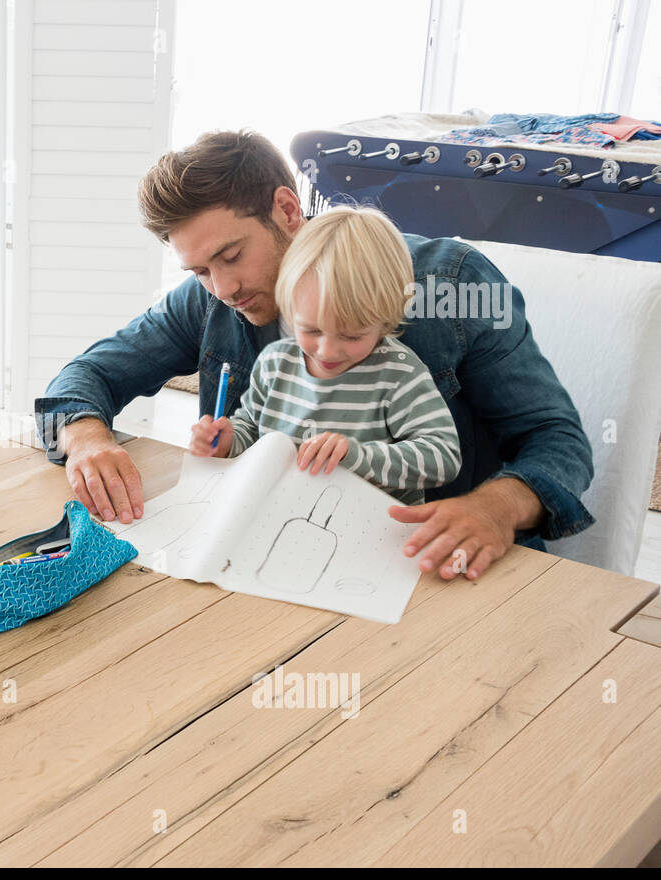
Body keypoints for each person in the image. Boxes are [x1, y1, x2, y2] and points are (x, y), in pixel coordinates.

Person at [37, 130, 594, 582]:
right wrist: (85, 438)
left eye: (231, 255)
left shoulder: (452, 285)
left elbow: (557, 438)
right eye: (200, 270)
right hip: (273, 559)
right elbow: (85, 376)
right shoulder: (209, 300)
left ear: (285, 209)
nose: (223, 288)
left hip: (426, 571)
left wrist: (495, 508)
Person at [191, 205, 461, 506]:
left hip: (370, 532)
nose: (328, 350)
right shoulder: (274, 363)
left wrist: (357, 456)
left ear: (386, 319)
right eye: (312, 330)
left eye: (352, 335)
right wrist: (227, 442)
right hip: (280, 520)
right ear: (291, 309)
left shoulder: (398, 373)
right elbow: (251, 428)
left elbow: (443, 456)